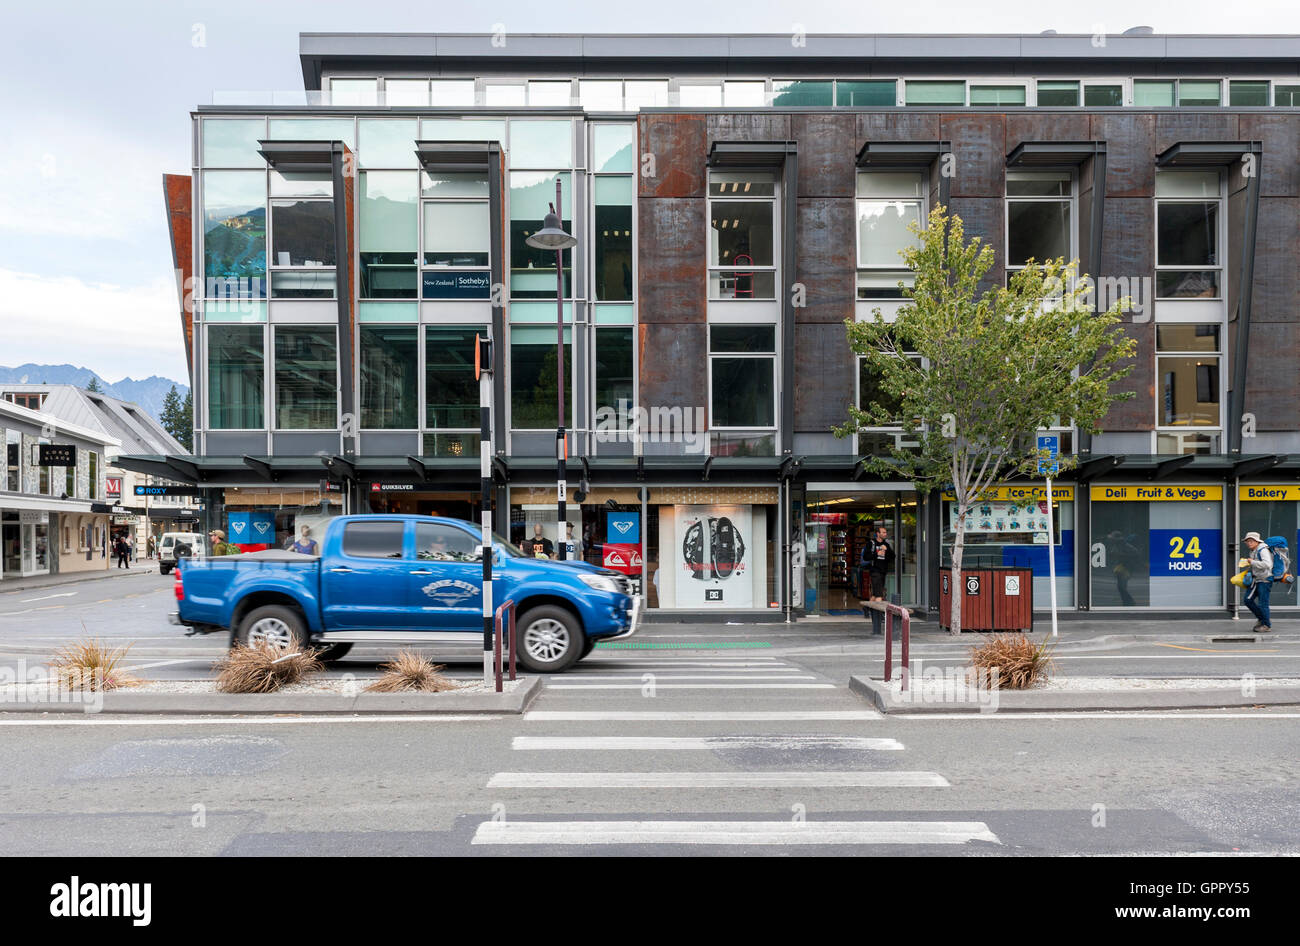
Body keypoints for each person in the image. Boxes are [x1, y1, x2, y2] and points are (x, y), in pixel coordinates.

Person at [861, 524, 896, 635]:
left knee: (876, 594)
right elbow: (866, 557)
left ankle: (867, 607)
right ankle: (879, 615)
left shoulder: (886, 544)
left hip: (883, 571)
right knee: (880, 594)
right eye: (883, 532)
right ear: (878, 533)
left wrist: (887, 550)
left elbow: (892, 557)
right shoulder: (871, 543)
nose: (885, 534)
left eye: (886, 532)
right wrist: (877, 554)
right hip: (874, 571)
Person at [1240, 531, 1274, 633]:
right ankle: (1262, 619)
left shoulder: (1262, 550)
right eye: (1247, 541)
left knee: (1263, 603)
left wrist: (1252, 562)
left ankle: (1266, 625)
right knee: (1247, 600)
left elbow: (1267, 564)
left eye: (1251, 541)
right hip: (1257, 579)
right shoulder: (1254, 550)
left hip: (1265, 579)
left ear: (1257, 541)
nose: (1249, 543)